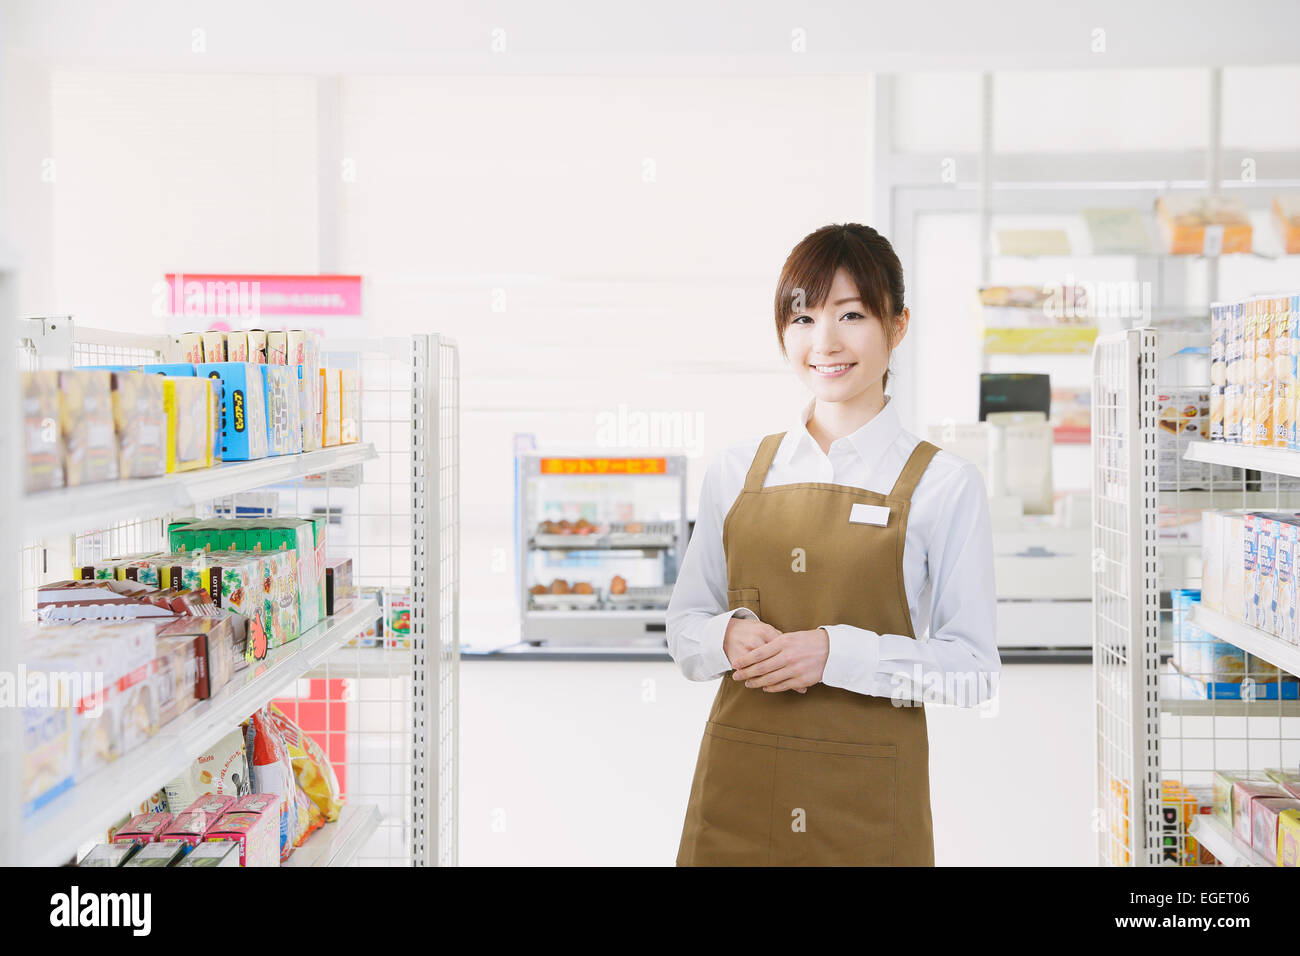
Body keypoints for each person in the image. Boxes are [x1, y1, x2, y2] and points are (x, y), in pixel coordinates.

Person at [667, 222, 999, 866]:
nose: (825, 343)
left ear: (897, 327)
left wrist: (837, 654)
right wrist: (724, 636)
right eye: (803, 318)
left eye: (851, 315)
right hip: (739, 790)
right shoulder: (736, 470)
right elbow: (684, 629)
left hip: (868, 803)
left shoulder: (944, 483)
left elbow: (973, 673)